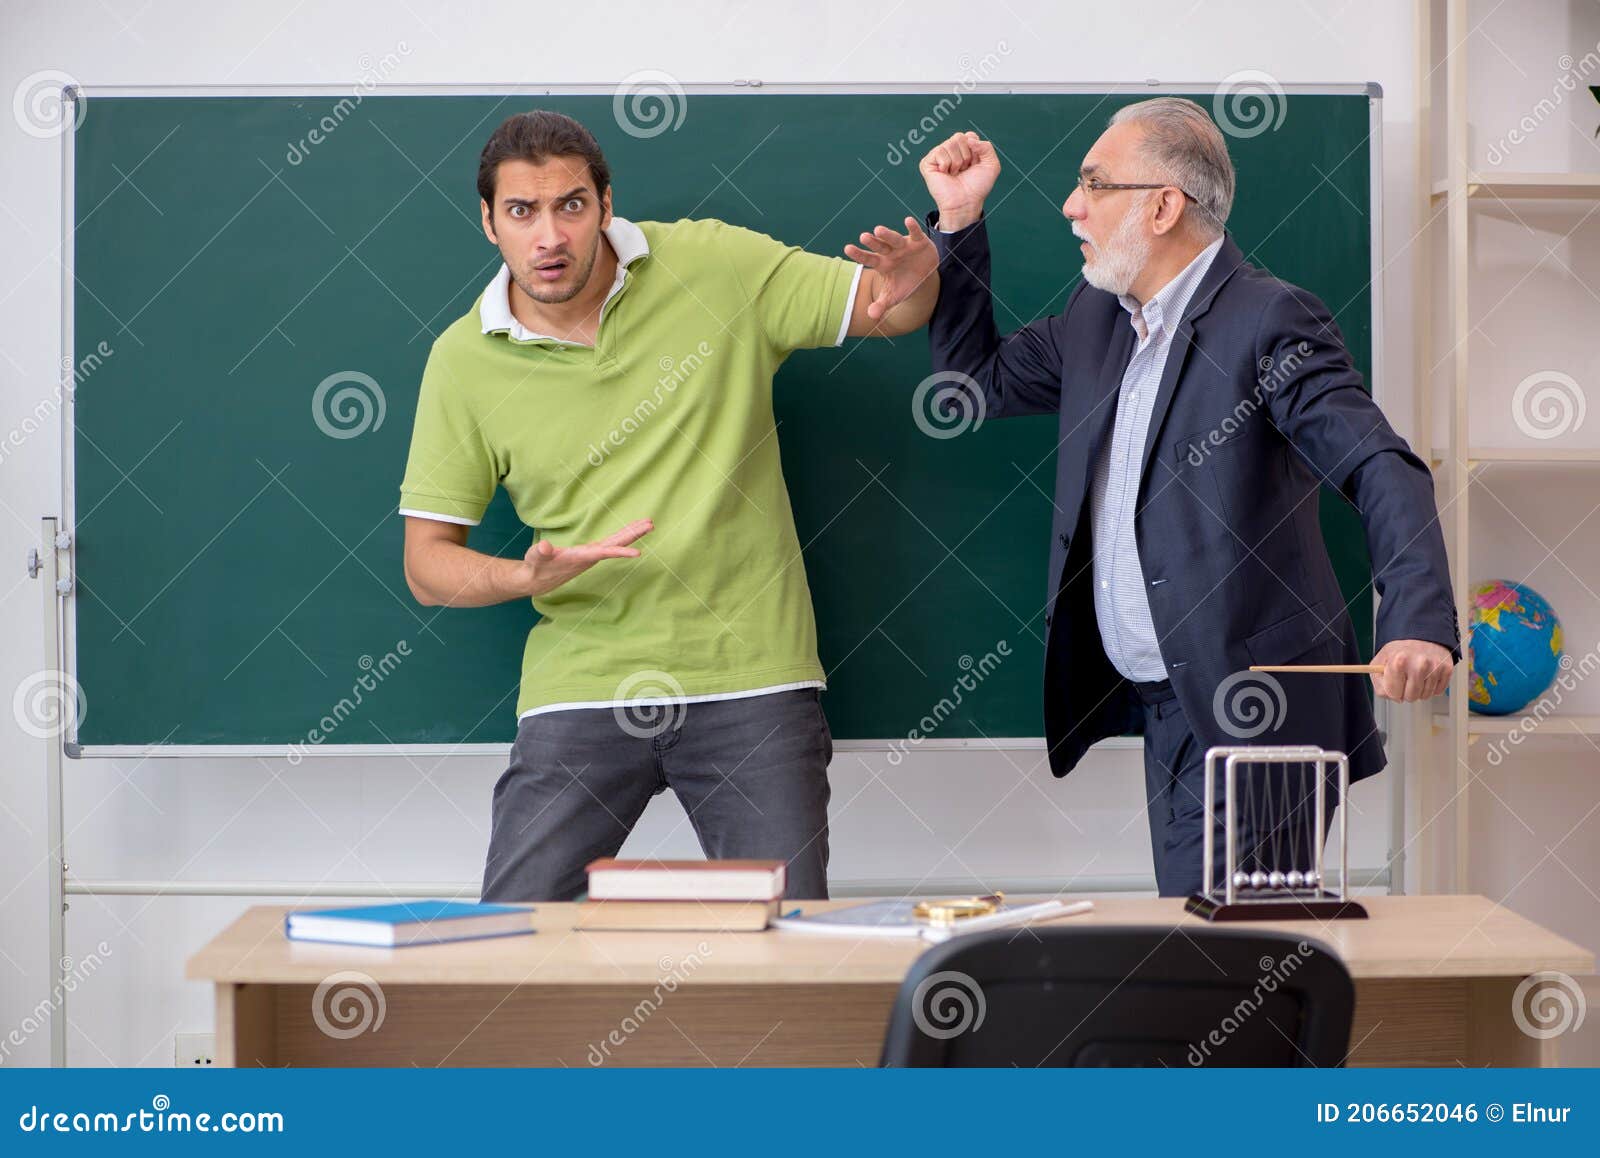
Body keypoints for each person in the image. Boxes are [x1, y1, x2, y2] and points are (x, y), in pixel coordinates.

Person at [918, 98, 1459, 896]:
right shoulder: (1096, 318)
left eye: (1093, 184)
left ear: (1164, 205)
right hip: (1170, 705)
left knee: (1232, 963)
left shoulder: (1270, 319)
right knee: (1204, 944)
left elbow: (1378, 463)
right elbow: (974, 383)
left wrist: (1416, 622)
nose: (1071, 205)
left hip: (1258, 709)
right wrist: (958, 222)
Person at [399, 110, 938, 902]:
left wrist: (922, 271)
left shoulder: (714, 264)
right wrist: (525, 577)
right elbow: (425, 565)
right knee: (508, 952)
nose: (549, 236)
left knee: (787, 957)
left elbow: (891, 307)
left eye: (570, 206)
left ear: (606, 204)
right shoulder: (462, 360)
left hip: (749, 679)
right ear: (488, 222)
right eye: (522, 212)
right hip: (582, 684)